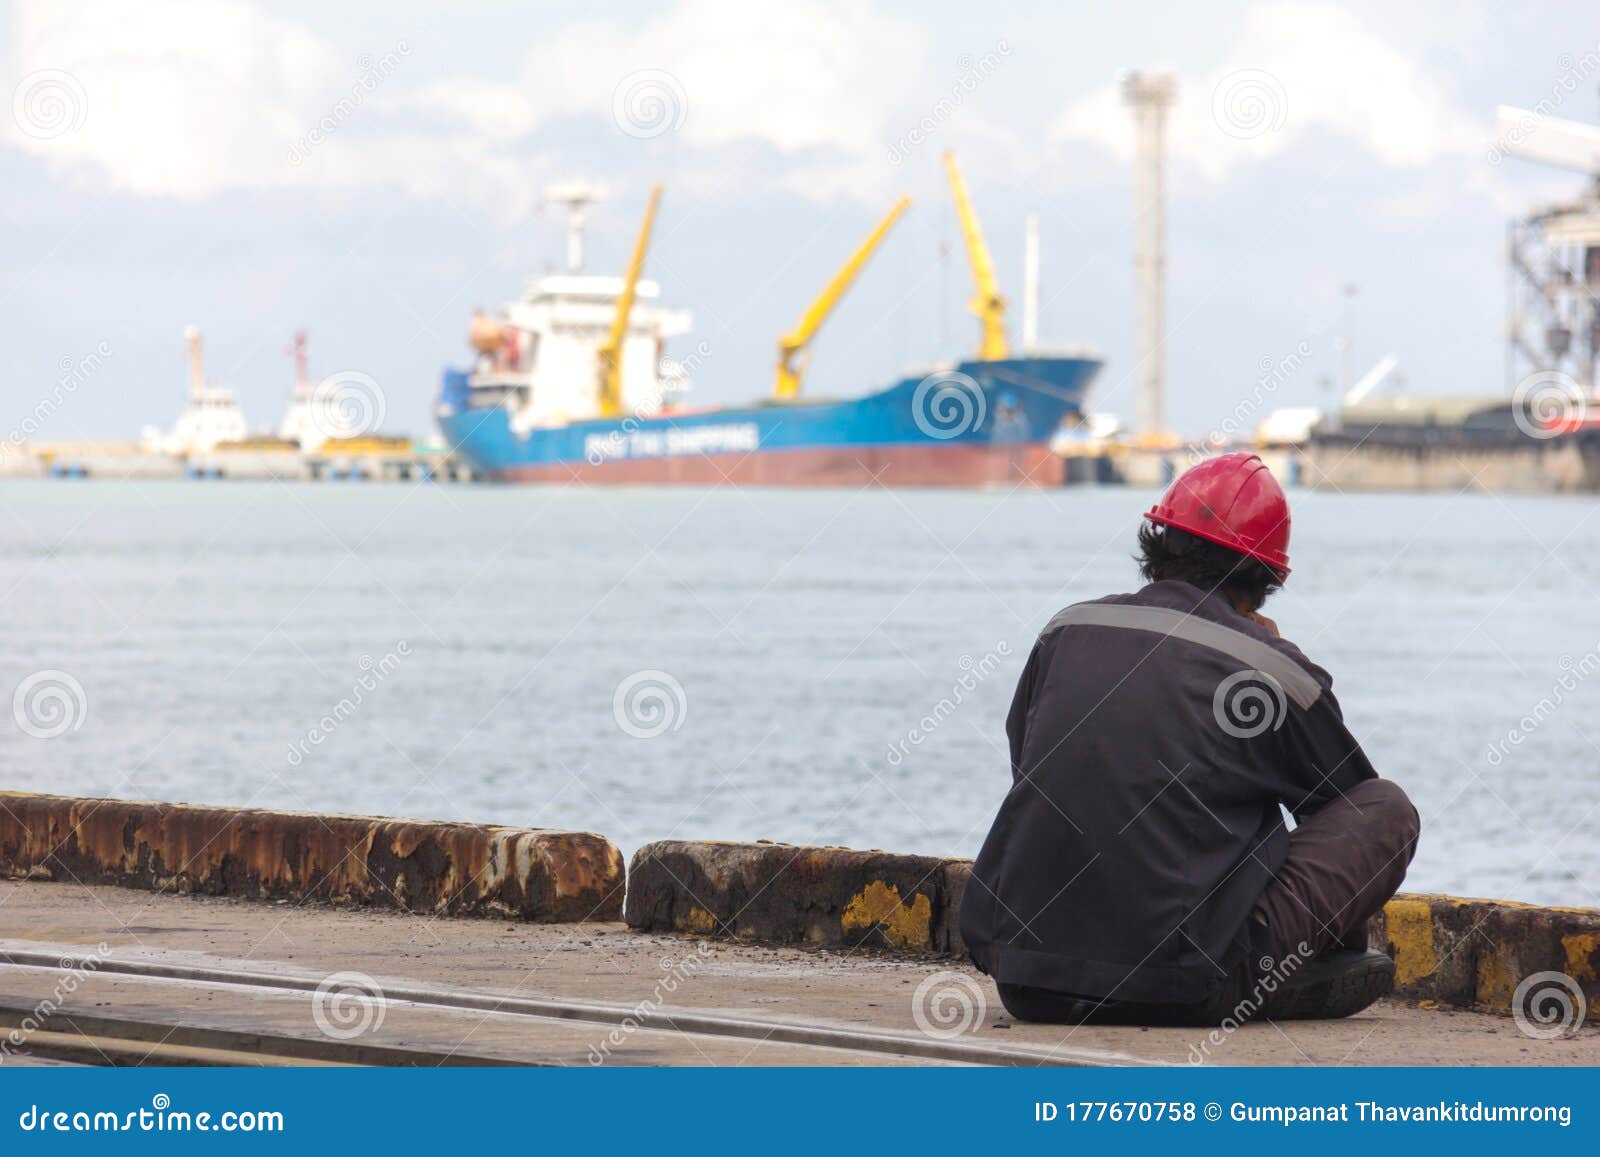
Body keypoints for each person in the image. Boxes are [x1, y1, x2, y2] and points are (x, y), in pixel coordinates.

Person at [959, 452, 1420, 1026]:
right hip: (1181, 984)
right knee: (1386, 809)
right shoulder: (1269, 670)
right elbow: (1343, 811)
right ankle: (1296, 968)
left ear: (1159, 545)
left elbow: (1031, 765)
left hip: (1029, 980)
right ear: (1268, 578)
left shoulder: (1066, 630)